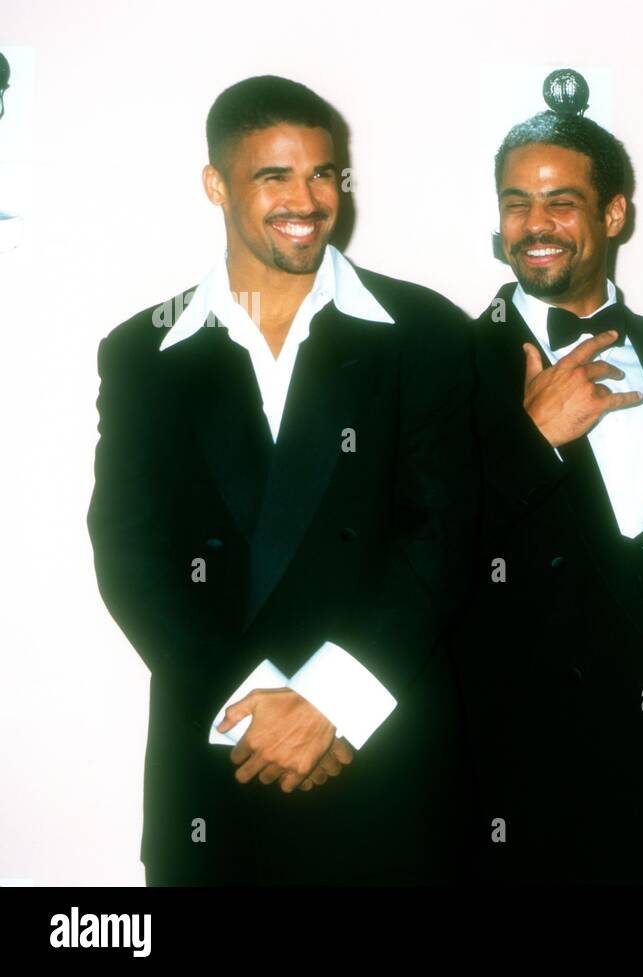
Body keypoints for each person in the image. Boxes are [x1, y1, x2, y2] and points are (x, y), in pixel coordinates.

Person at [86, 75, 477, 884]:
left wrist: (331, 702)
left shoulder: (425, 332)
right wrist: (259, 706)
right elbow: (129, 554)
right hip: (221, 762)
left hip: (386, 759)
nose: (308, 199)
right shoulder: (142, 354)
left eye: (324, 173)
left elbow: (443, 537)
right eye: (275, 176)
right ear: (216, 185)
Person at [453, 81, 643, 884]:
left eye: (561, 201)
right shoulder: (447, 365)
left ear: (615, 215)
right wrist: (529, 439)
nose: (534, 224)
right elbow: (422, 559)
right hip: (518, 777)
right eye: (516, 202)